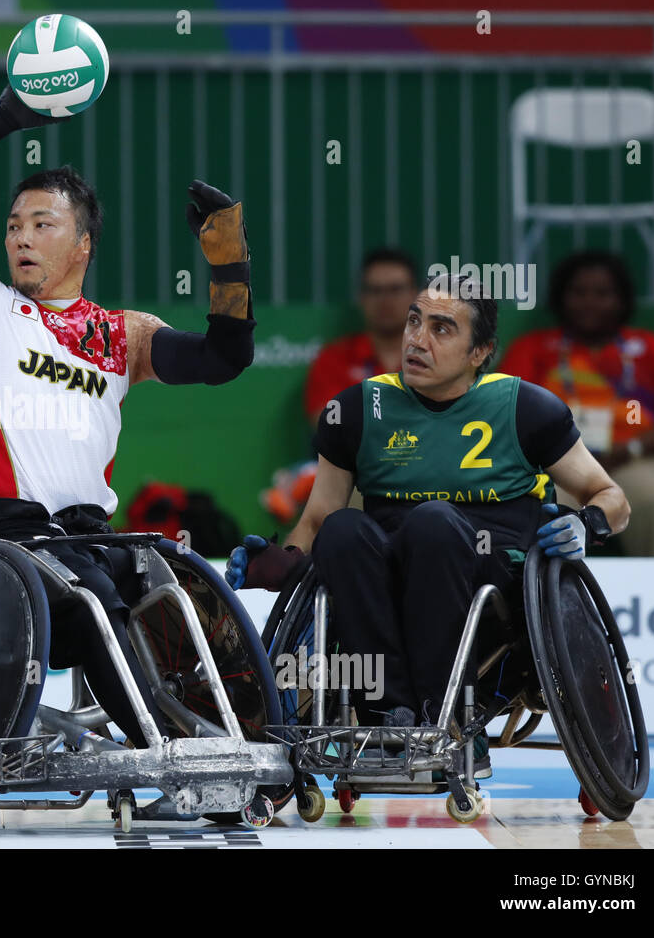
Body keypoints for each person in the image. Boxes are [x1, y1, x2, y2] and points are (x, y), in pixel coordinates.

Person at [0, 87, 257, 747]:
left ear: (83, 244)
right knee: (91, 598)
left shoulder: (124, 335)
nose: (22, 237)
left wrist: (230, 264)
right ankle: (167, 757)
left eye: (43, 224)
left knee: (169, 573)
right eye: (13, 225)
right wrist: (5, 117)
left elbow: (224, 358)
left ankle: (241, 730)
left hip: (88, 535)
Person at [226, 275, 630, 777]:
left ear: (479, 351)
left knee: (433, 523)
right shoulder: (356, 410)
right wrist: (284, 563)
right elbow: (315, 517)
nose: (417, 339)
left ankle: (452, 719)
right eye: (415, 321)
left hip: (492, 583)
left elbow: (611, 497)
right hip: (387, 575)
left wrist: (586, 525)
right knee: (344, 530)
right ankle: (390, 717)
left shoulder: (526, 408)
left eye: (442, 329)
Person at [499, 249, 654, 555]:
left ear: (622, 299)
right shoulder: (532, 349)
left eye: (603, 293)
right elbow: (506, 408)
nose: (590, 302)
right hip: (555, 466)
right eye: (578, 292)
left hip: (635, 460)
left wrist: (632, 449)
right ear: (561, 297)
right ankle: (539, 598)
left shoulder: (653, 350)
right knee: (543, 507)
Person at [304, 247, 421, 428]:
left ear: (416, 295)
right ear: (362, 297)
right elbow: (327, 422)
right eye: (375, 290)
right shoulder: (334, 359)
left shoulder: (435, 356)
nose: (385, 300)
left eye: (395, 289)